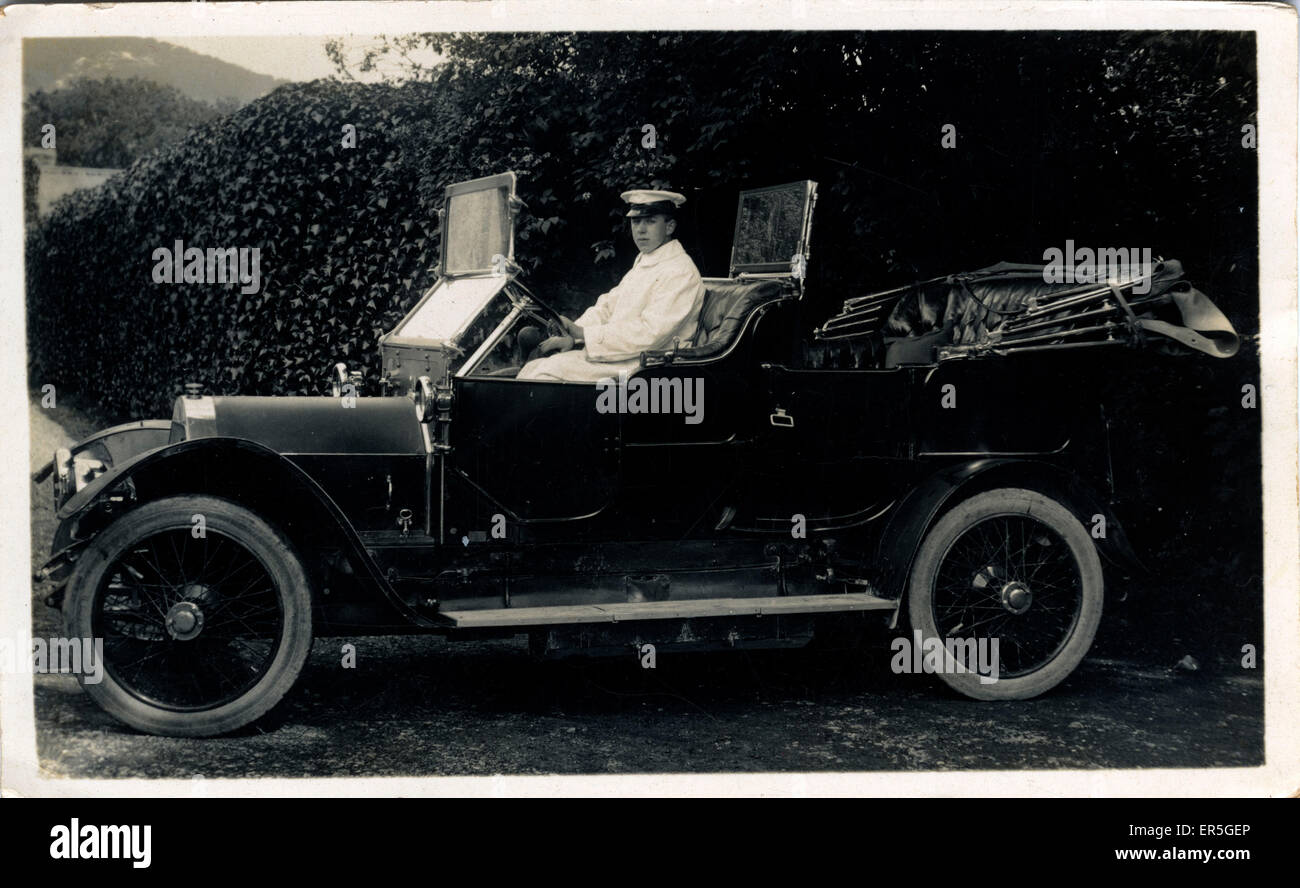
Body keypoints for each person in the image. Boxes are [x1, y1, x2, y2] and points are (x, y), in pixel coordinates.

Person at [517, 189, 705, 382]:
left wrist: (584, 334)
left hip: (649, 365)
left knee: (543, 375)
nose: (641, 229)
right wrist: (574, 333)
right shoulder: (647, 261)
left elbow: (651, 333)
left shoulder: (679, 271)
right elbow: (607, 306)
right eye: (636, 221)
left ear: (670, 226)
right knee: (536, 368)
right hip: (623, 355)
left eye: (650, 221)